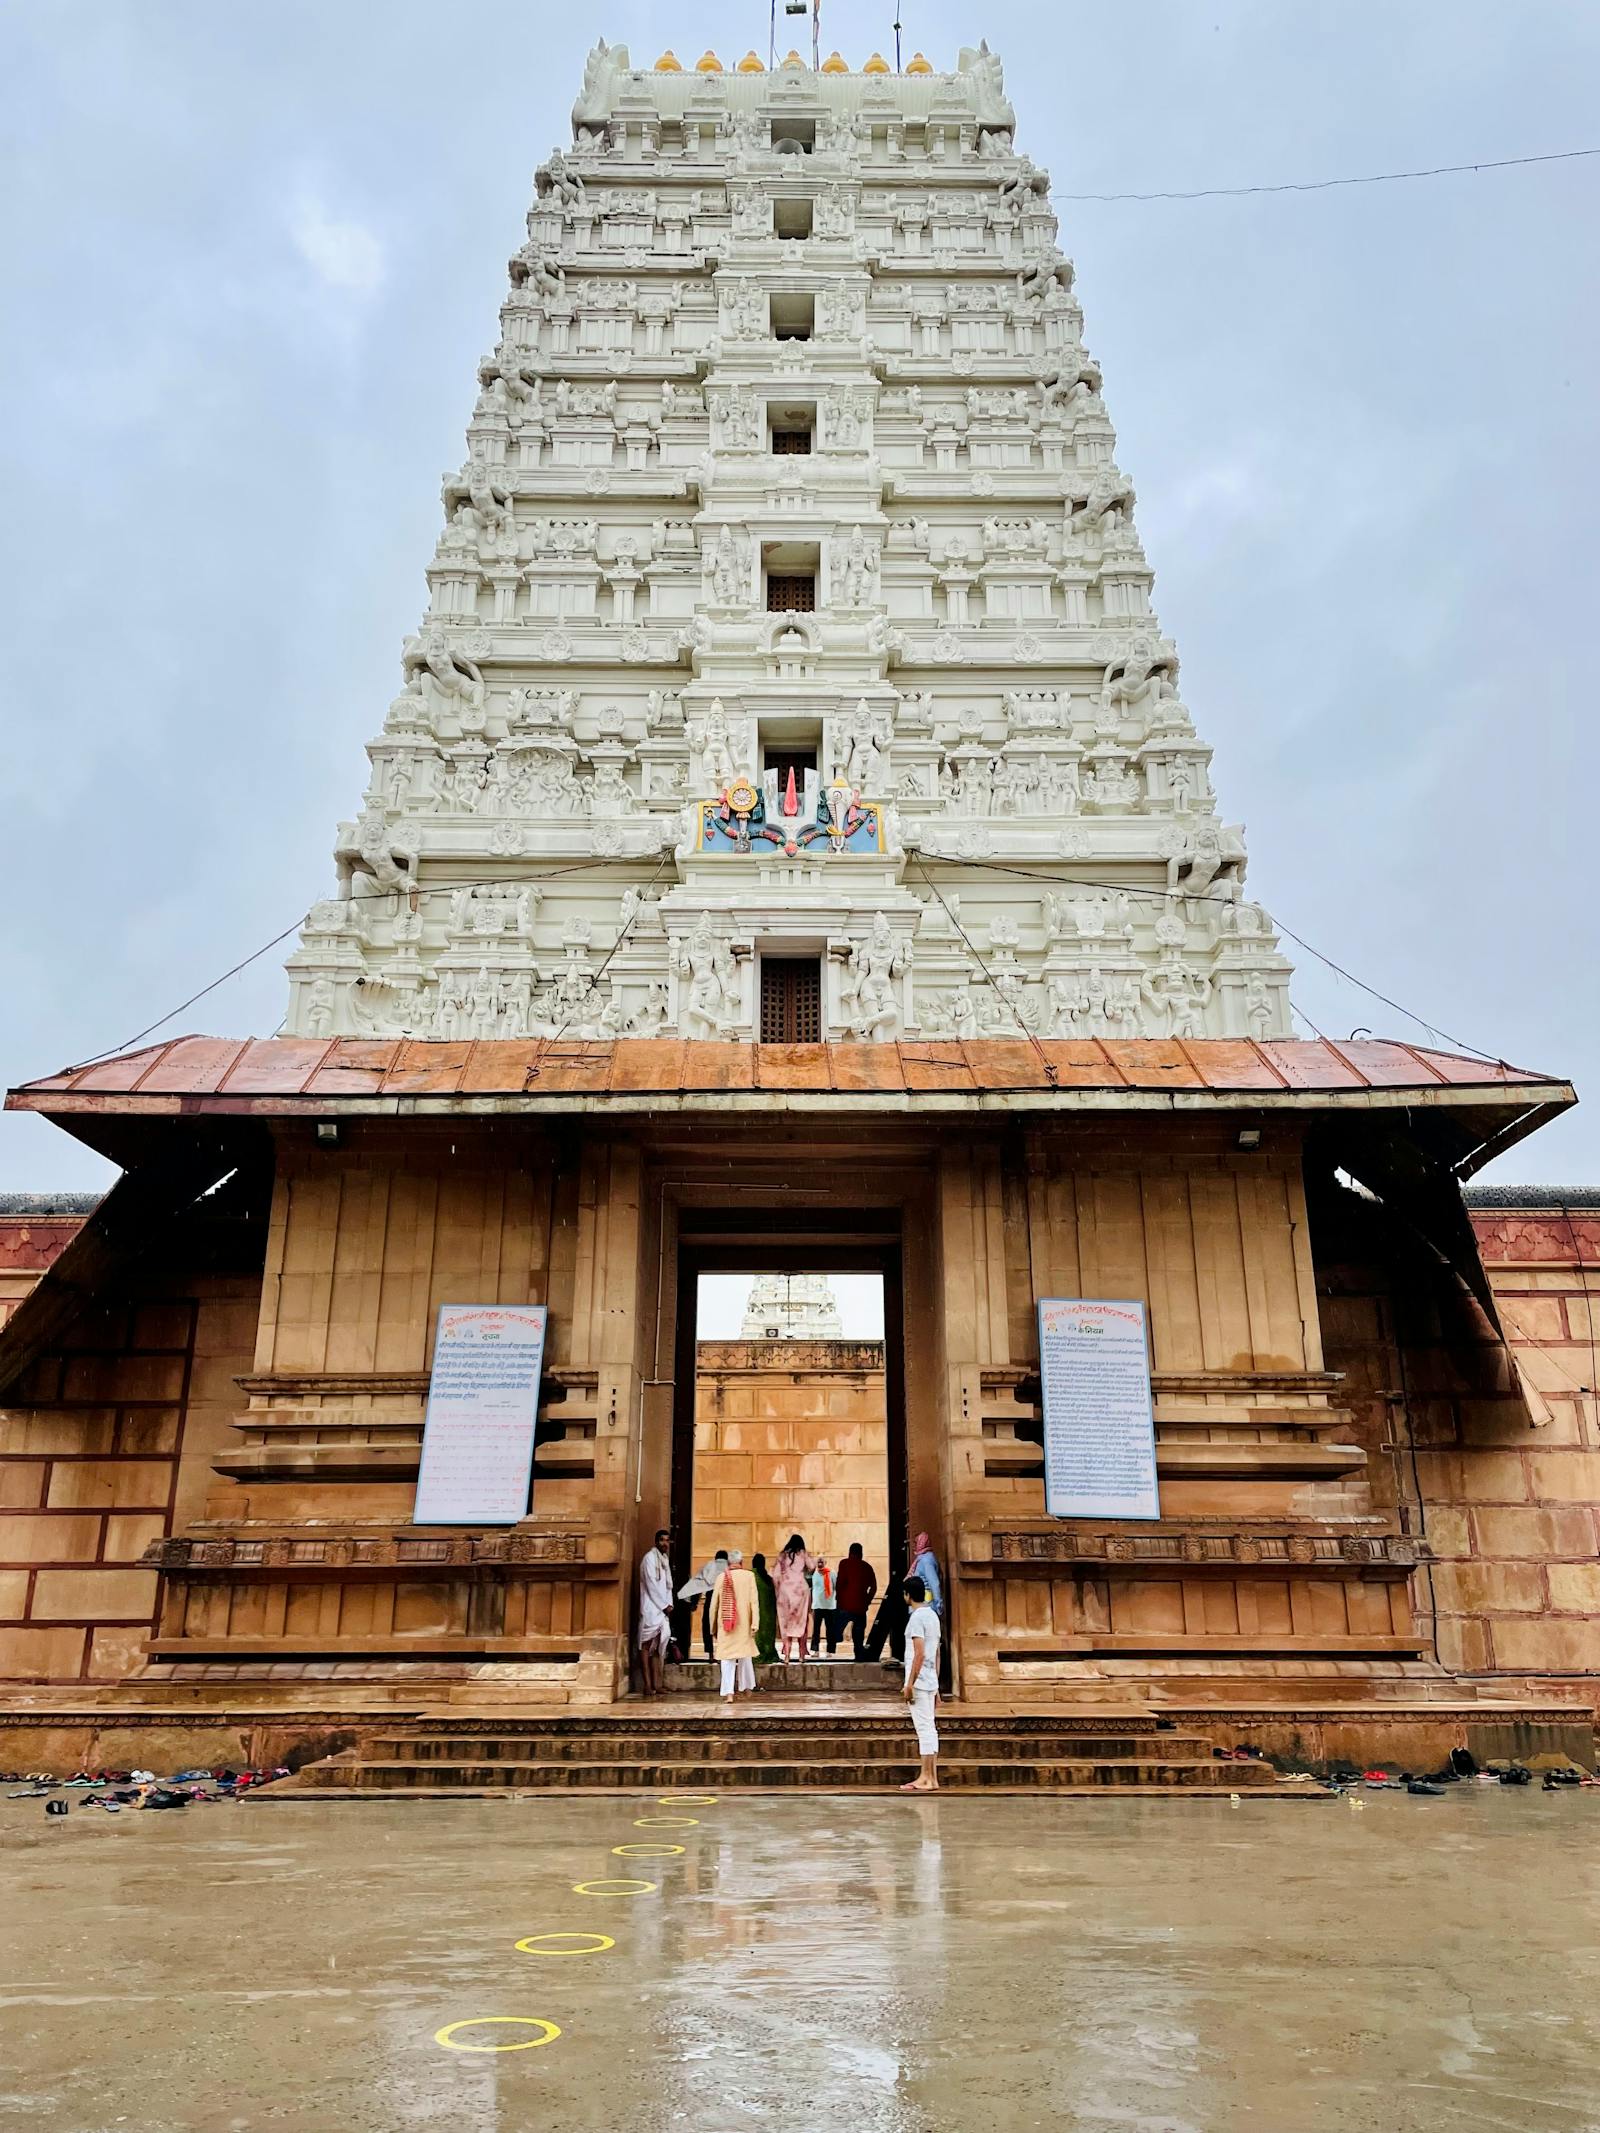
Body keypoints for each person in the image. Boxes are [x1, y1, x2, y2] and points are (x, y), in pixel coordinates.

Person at [900, 1571, 942, 1791]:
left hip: (919, 1681)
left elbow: (919, 1654)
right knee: (930, 1728)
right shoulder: (933, 1616)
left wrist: (909, 1684)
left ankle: (926, 1777)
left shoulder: (916, 1618)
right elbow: (936, 1653)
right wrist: (937, 1685)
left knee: (924, 1729)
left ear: (908, 1595)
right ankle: (931, 1776)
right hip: (930, 1680)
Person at [708, 1548, 760, 1702]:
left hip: (726, 1623)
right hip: (744, 1625)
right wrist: (755, 1623)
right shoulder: (749, 1576)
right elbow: (754, 1602)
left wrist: (713, 1627)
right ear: (741, 1563)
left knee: (727, 1659)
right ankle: (747, 1689)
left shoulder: (721, 1577)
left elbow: (714, 1605)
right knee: (745, 1657)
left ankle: (729, 1693)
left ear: (728, 1563)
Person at [637, 1527, 674, 1697]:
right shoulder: (649, 1559)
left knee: (659, 1647)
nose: (665, 1544)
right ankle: (647, 1684)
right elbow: (651, 1585)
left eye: (667, 1541)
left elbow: (668, 1586)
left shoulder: (664, 1560)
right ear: (656, 1542)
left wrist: (669, 1605)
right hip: (650, 1609)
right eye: (662, 1540)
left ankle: (657, 1684)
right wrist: (664, 1605)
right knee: (646, 1646)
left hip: (662, 1610)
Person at [833, 1541, 878, 1661]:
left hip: (844, 1606)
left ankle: (833, 1645)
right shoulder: (867, 1567)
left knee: (836, 1628)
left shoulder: (844, 1564)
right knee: (858, 1634)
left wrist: (838, 1599)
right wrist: (867, 1601)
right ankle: (858, 1656)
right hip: (860, 1607)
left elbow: (840, 1584)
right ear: (861, 1553)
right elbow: (874, 1587)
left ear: (849, 1552)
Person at [773, 1533, 813, 1662]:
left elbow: (775, 1576)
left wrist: (778, 1590)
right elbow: (812, 1566)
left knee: (785, 1622)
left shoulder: (782, 1555)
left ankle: (787, 1656)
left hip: (785, 1590)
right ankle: (801, 1656)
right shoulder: (802, 1553)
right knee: (801, 1622)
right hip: (800, 1589)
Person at [751, 1551, 779, 1666]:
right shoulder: (768, 1579)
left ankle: (759, 1654)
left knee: (759, 1636)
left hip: (758, 1612)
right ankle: (769, 1654)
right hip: (770, 1614)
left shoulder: (752, 1576)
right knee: (768, 1635)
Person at [909, 1530, 943, 1616]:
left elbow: (934, 1583)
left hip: (926, 1604)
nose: (914, 1546)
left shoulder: (926, 1560)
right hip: (921, 1604)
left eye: (916, 1542)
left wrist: (938, 1604)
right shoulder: (921, 1559)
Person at [809, 1555, 838, 1655]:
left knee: (830, 1630)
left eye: (822, 1560)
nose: (820, 1562)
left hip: (830, 1606)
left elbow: (836, 1587)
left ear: (825, 1562)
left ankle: (830, 1651)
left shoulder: (832, 1573)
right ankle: (815, 1650)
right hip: (817, 1606)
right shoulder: (813, 1573)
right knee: (816, 1630)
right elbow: (811, 1588)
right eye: (818, 1561)